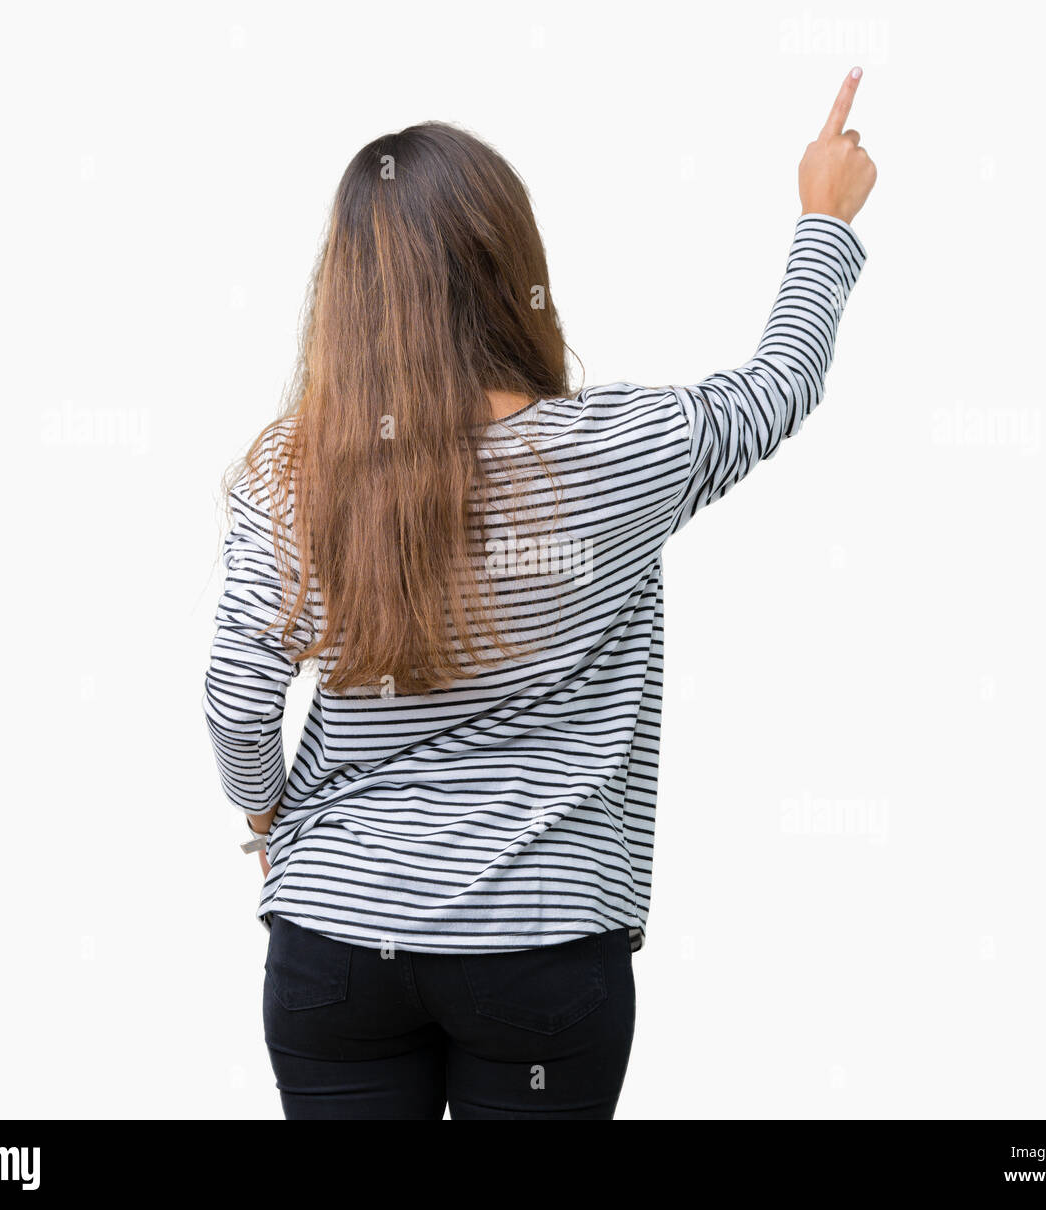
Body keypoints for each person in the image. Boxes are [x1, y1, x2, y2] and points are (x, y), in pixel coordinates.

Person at [204, 68, 876, 1119]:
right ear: (506, 263)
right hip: (543, 951)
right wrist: (822, 215)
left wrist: (274, 824)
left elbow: (237, 697)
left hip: (335, 949)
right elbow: (775, 386)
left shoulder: (295, 472)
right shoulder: (618, 451)